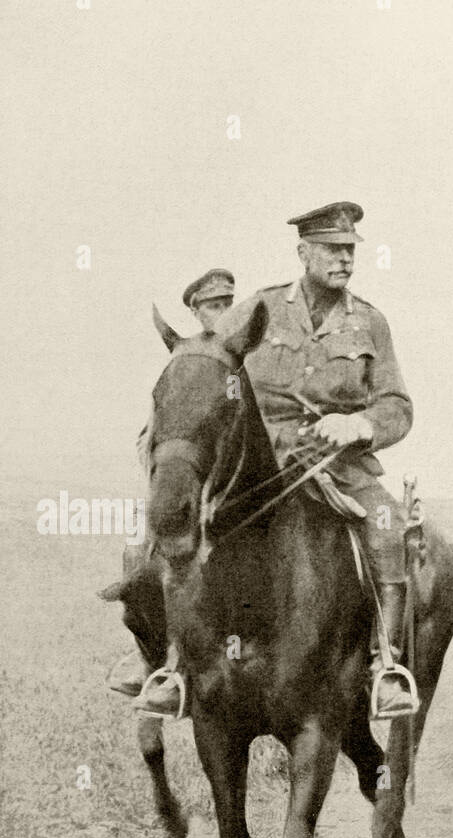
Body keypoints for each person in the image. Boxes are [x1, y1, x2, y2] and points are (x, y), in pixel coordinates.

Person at [138, 203, 418, 719]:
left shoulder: (370, 322)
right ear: (303, 252)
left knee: (388, 525)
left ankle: (386, 666)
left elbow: (398, 405)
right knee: (170, 527)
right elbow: (210, 367)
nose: (345, 259)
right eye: (333, 249)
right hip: (255, 462)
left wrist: (358, 426)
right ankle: (171, 664)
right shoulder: (256, 309)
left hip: (335, 464)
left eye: (350, 249)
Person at [107, 269, 238, 703]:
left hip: (241, 486)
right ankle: (154, 659)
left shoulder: (244, 354)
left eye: (227, 303)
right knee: (140, 564)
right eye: (212, 305)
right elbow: (153, 434)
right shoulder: (182, 362)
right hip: (192, 486)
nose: (221, 313)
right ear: (195, 312)